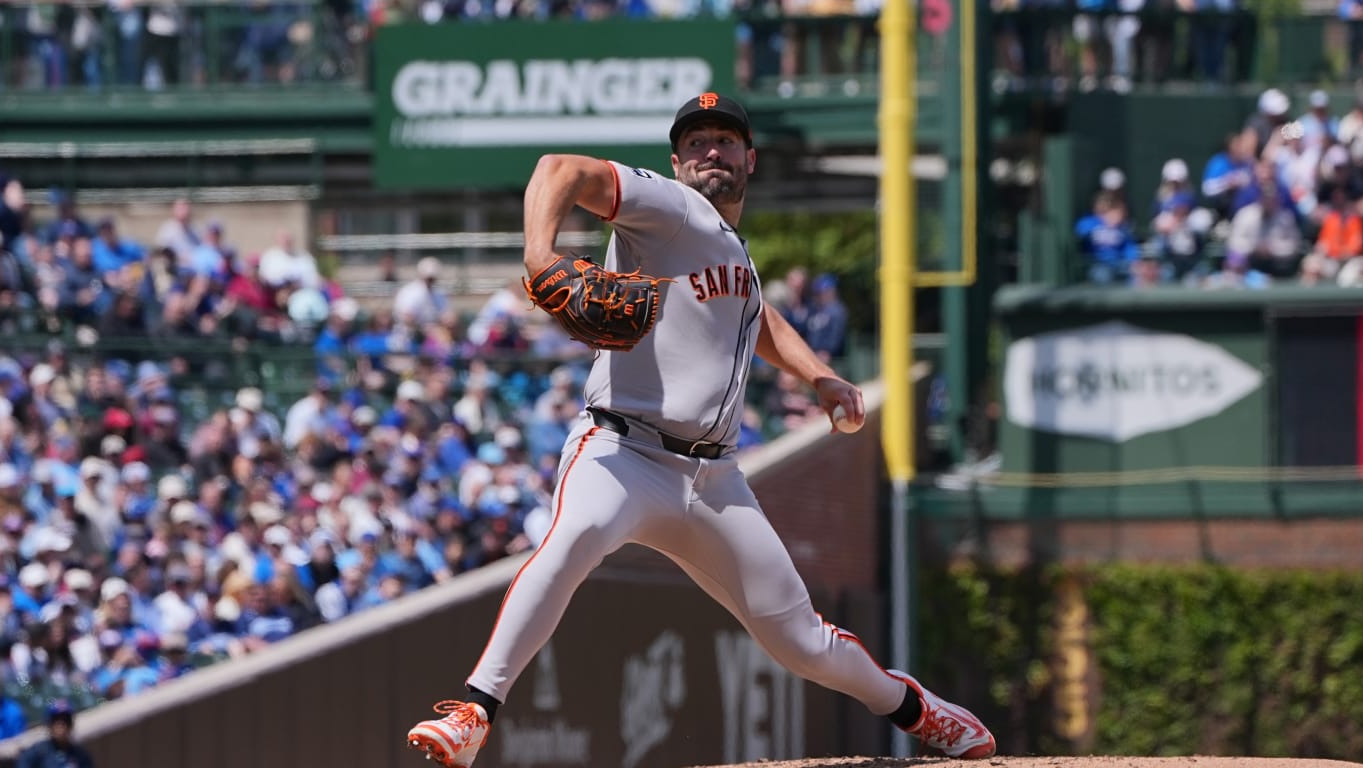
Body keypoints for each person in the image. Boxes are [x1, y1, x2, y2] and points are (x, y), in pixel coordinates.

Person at [403, 93, 996, 767]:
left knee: (800, 640)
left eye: (725, 138)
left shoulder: (731, 252)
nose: (710, 150)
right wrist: (540, 255)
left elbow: (755, 314)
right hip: (621, 452)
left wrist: (820, 377)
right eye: (695, 141)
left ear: (751, 157)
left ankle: (914, 708)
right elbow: (557, 166)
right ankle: (476, 711)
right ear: (676, 161)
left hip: (713, 478)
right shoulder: (667, 207)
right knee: (572, 541)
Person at [14, 700, 94, 768]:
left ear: (71, 724)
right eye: (56, 720)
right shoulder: (37, 752)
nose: (61, 725)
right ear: (49, 724)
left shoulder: (80, 755)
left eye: (65, 720)